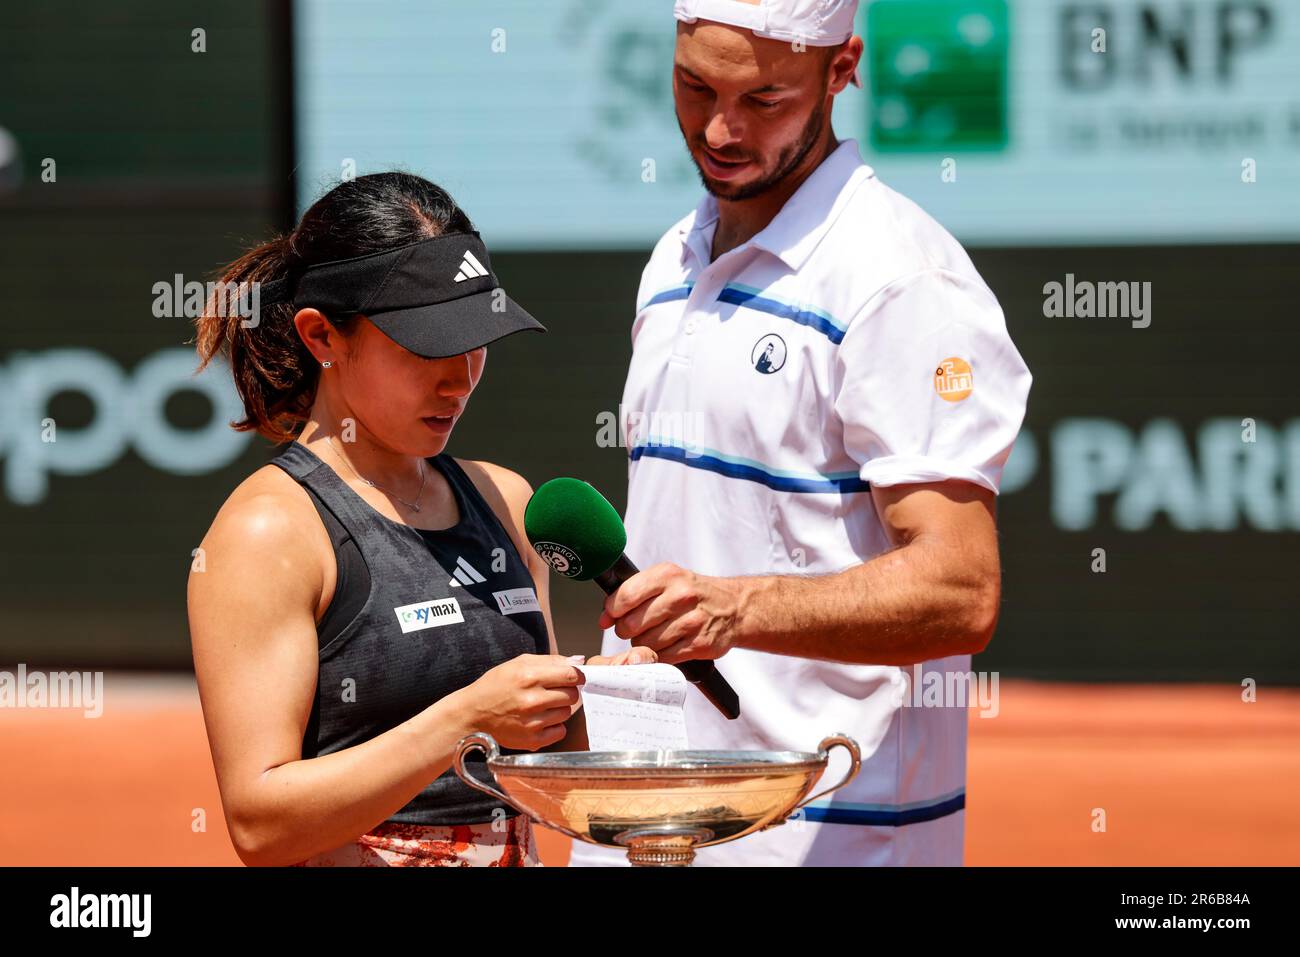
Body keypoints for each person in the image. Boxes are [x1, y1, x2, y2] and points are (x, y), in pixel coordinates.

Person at [568, 0, 1032, 867]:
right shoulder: (674, 255)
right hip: (643, 821)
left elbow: (962, 590)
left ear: (843, 67)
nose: (719, 128)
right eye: (693, 85)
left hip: (823, 842)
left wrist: (735, 607)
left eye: (765, 99)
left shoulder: (903, 282)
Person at [188, 172, 651, 867]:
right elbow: (261, 823)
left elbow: (545, 758)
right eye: (429, 346)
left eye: (478, 340)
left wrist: (612, 696)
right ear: (322, 336)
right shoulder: (271, 531)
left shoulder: (505, 500)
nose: (460, 378)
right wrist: (464, 720)